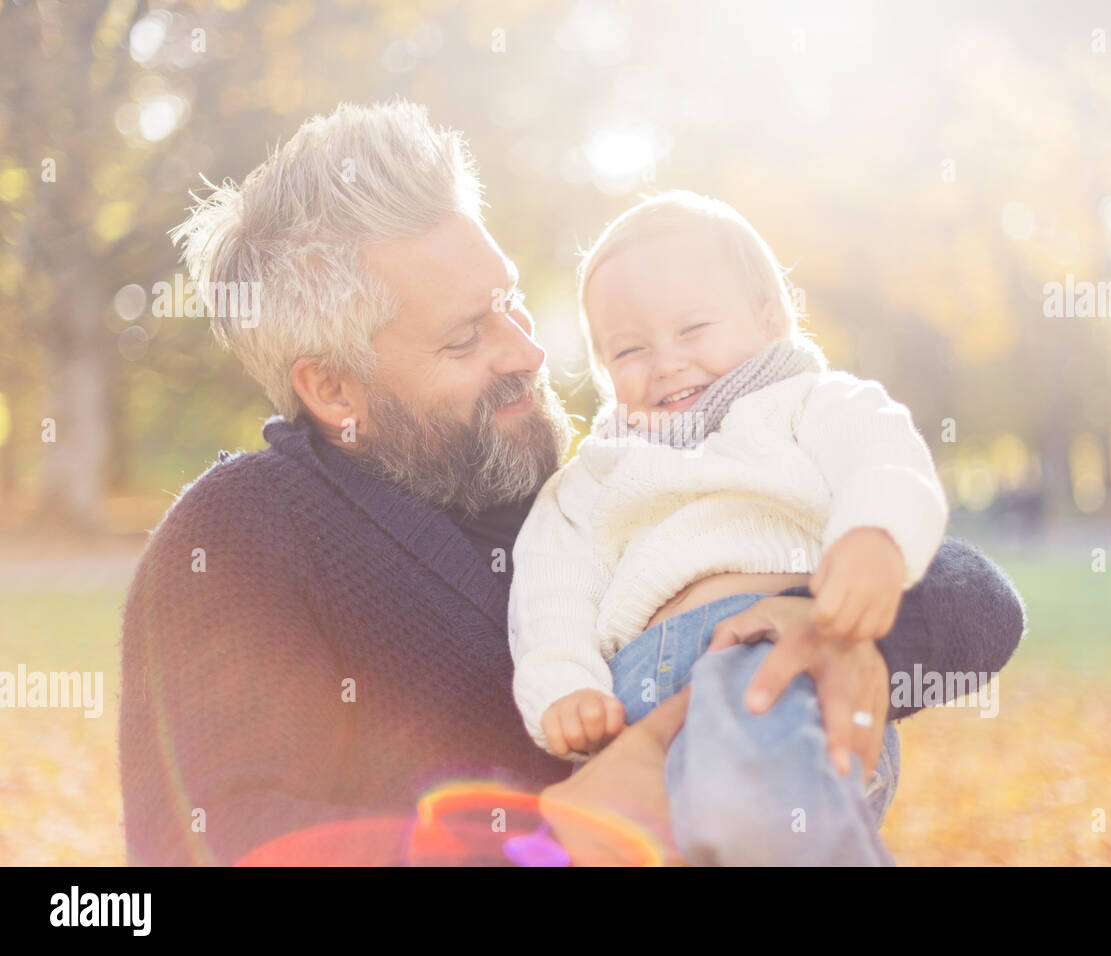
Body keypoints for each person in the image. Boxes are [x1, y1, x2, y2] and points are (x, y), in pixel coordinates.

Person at [118, 98, 1025, 866]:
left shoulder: (571, 468)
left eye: (510, 301)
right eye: (465, 338)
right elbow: (215, 843)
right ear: (332, 387)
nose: (528, 351)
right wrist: (545, 841)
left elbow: (978, 603)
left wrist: (813, 624)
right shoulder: (237, 537)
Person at [510, 191, 953, 864]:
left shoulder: (808, 403)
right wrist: (566, 684)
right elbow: (550, 588)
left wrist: (875, 539)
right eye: (629, 350)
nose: (666, 362)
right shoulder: (596, 473)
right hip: (628, 700)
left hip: (772, 658)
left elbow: (885, 457)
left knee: (761, 823)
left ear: (770, 319)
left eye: (692, 330)